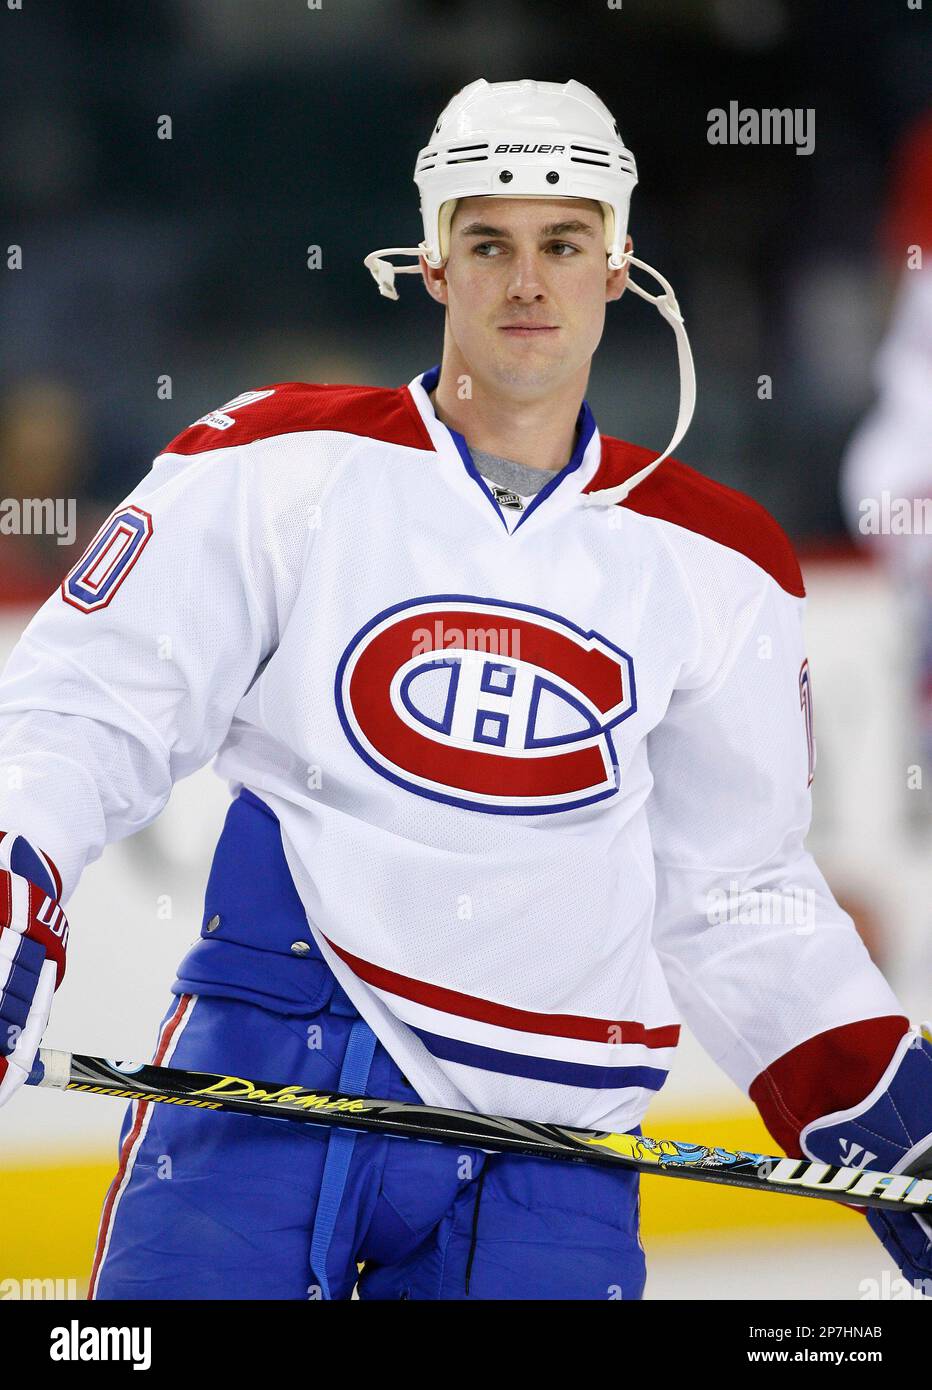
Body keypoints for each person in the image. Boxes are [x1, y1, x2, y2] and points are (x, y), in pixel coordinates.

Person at [0, 78, 928, 1301]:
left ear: (618, 265)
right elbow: (89, 706)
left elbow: (734, 891)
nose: (527, 281)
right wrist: (19, 876)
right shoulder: (275, 465)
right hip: (265, 1082)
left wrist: (878, 1104)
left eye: (563, 243)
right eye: (488, 242)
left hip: (551, 1150)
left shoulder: (722, 562)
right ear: (432, 262)